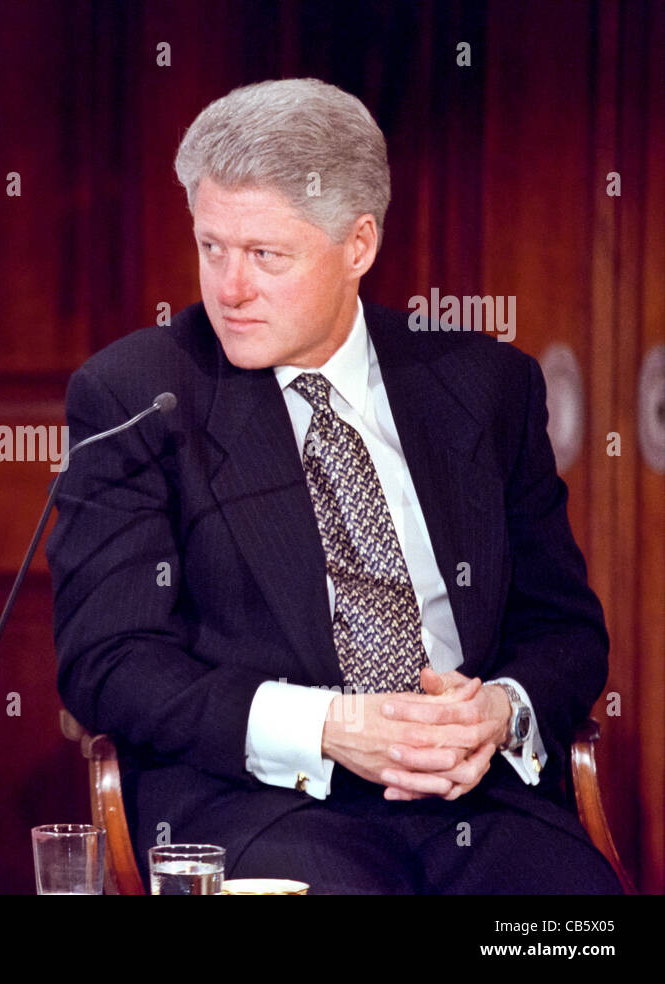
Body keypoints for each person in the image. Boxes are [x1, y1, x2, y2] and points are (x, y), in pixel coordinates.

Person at [47, 79, 622, 893]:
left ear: (358, 245)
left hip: (476, 801)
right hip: (253, 806)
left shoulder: (486, 385)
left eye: (266, 255)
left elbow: (565, 632)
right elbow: (109, 662)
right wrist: (330, 726)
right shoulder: (137, 394)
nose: (229, 288)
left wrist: (497, 712)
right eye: (212, 247)